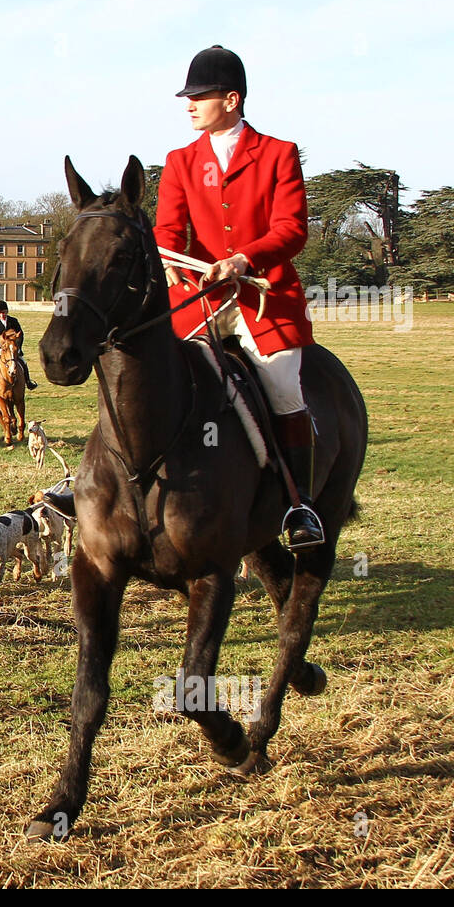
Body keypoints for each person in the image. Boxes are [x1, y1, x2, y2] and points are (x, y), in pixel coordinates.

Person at [154, 44, 323, 550]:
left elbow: (292, 229)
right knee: (154, 378)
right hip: (199, 298)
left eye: (199, 96)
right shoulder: (180, 161)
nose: (189, 104)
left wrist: (245, 259)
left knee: (284, 389)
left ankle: (299, 505)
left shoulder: (278, 154)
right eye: (188, 97)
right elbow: (168, 229)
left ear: (231, 100)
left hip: (262, 298)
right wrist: (169, 259)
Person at [0, 300, 38, 397]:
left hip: (12, 350)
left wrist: (18, 348)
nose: (2, 315)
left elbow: (20, 335)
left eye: (4, 312)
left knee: (23, 362)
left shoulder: (13, 321)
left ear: (7, 311)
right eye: (0, 313)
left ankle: (28, 382)